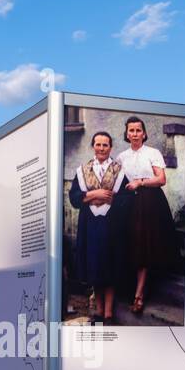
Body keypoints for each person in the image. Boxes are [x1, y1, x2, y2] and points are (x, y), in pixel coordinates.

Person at [69, 131, 130, 323]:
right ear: (93, 146)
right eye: (98, 144)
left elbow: (127, 198)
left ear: (111, 148)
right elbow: (74, 197)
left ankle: (109, 312)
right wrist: (95, 194)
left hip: (112, 224)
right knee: (94, 265)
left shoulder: (119, 171)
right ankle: (98, 310)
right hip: (90, 223)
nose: (101, 148)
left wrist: (113, 200)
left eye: (105, 145)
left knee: (110, 265)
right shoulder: (83, 170)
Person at [118, 116, 174, 317]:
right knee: (129, 246)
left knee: (143, 247)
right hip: (128, 204)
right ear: (126, 133)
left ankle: (139, 295)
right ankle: (128, 290)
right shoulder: (121, 157)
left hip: (150, 203)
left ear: (144, 133)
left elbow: (161, 179)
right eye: (131, 130)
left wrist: (140, 182)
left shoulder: (152, 153)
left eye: (138, 130)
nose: (134, 134)